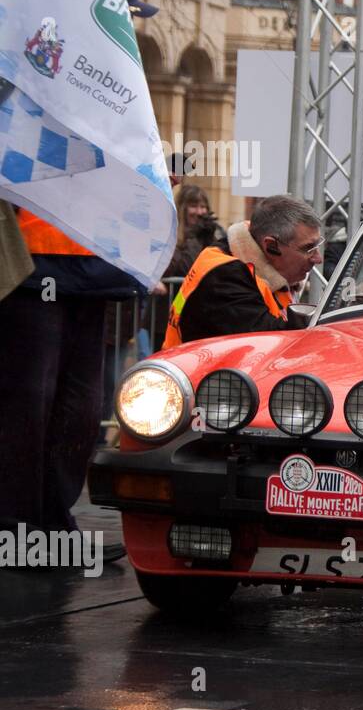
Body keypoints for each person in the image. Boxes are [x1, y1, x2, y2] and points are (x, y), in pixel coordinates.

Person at [0, 210, 139, 562]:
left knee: (81, 406)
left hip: (92, 262)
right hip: (30, 259)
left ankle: (55, 526)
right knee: (30, 401)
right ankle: (15, 527)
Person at [163, 195, 323, 348]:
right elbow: (270, 340)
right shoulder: (224, 276)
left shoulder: (248, 252)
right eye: (308, 248)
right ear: (271, 246)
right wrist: (321, 317)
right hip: (189, 372)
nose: (318, 259)